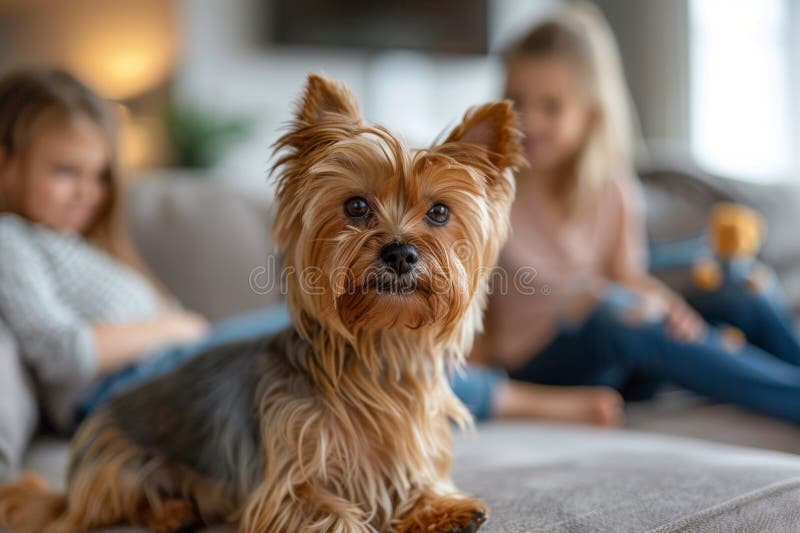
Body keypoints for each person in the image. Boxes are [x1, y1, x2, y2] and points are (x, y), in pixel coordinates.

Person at [468, 2, 800, 425]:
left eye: (550, 107)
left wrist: (667, 305)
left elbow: (628, 277)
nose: (529, 120)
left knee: (739, 287)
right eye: (518, 101)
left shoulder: (611, 188)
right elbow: (470, 312)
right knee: (613, 313)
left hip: (619, 358)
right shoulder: (487, 191)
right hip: (539, 365)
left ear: (590, 115)